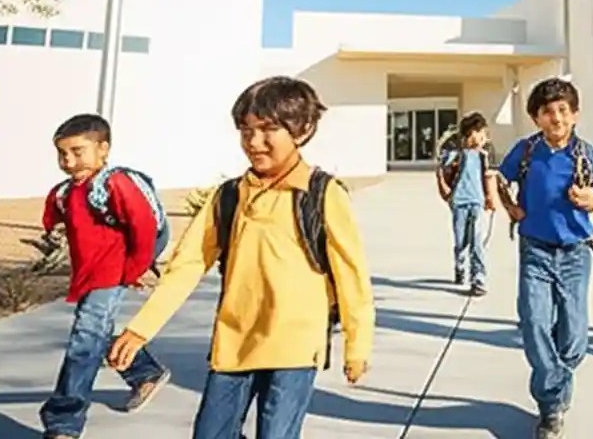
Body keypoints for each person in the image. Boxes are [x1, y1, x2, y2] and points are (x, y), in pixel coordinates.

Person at [106, 76, 376, 439]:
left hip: (294, 346)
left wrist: (357, 346)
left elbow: (351, 275)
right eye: (245, 130)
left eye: (268, 129)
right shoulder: (229, 196)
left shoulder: (322, 194)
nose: (254, 141)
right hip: (235, 342)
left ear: (303, 129)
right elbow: (186, 266)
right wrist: (141, 329)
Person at [495, 77, 593, 439]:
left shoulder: (588, 154)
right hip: (535, 250)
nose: (556, 118)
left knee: (574, 337)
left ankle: (557, 381)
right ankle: (551, 408)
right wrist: (510, 206)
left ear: (575, 115)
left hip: (577, 254)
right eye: (548, 112)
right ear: (536, 118)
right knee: (533, 323)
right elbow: (499, 179)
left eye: (563, 110)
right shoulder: (527, 150)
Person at [39, 113, 171, 439]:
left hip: (111, 273)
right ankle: (145, 372)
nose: (69, 161)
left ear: (103, 149)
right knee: (95, 335)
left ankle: (63, 423)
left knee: (84, 342)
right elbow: (57, 219)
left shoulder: (115, 183)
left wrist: (135, 269)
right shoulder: (68, 190)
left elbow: (143, 227)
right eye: (62, 153)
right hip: (89, 275)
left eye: (78, 151)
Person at [435, 111, 498, 296]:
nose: (477, 139)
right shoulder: (456, 154)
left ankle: (478, 277)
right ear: (465, 136)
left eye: (480, 134)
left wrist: (491, 198)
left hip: (477, 202)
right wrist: (445, 192)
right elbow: (441, 173)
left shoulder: (485, 155)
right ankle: (460, 265)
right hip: (459, 202)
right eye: (472, 134)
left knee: (477, 240)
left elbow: (490, 177)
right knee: (461, 240)